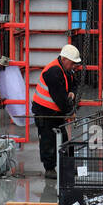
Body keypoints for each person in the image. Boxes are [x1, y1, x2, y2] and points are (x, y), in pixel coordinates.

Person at [31, 44, 82, 179]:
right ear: (64, 59)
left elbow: (74, 84)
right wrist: (70, 111)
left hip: (56, 112)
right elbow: (60, 99)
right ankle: (49, 169)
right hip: (44, 113)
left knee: (64, 140)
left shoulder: (66, 70)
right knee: (48, 141)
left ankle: (68, 166)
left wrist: (72, 93)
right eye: (72, 63)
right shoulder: (53, 72)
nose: (73, 67)